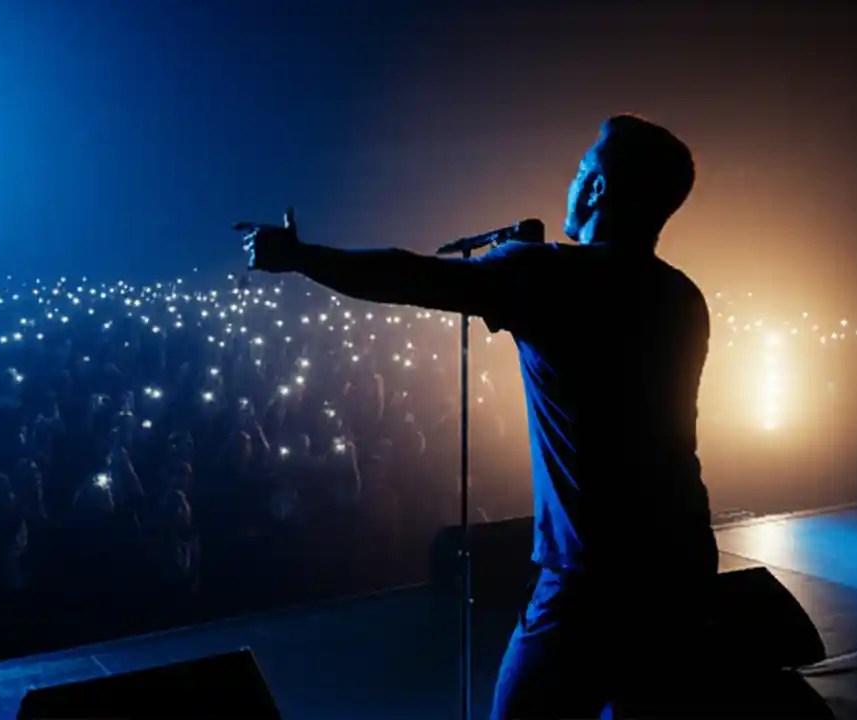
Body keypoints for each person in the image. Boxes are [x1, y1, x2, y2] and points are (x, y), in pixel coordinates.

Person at [239, 115, 718, 717]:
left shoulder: (551, 274)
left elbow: (411, 275)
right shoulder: (683, 296)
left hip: (591, 574)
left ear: (597, 188)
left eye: (580, 169)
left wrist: (303, 257)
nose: (571, 180)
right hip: (681, 561)